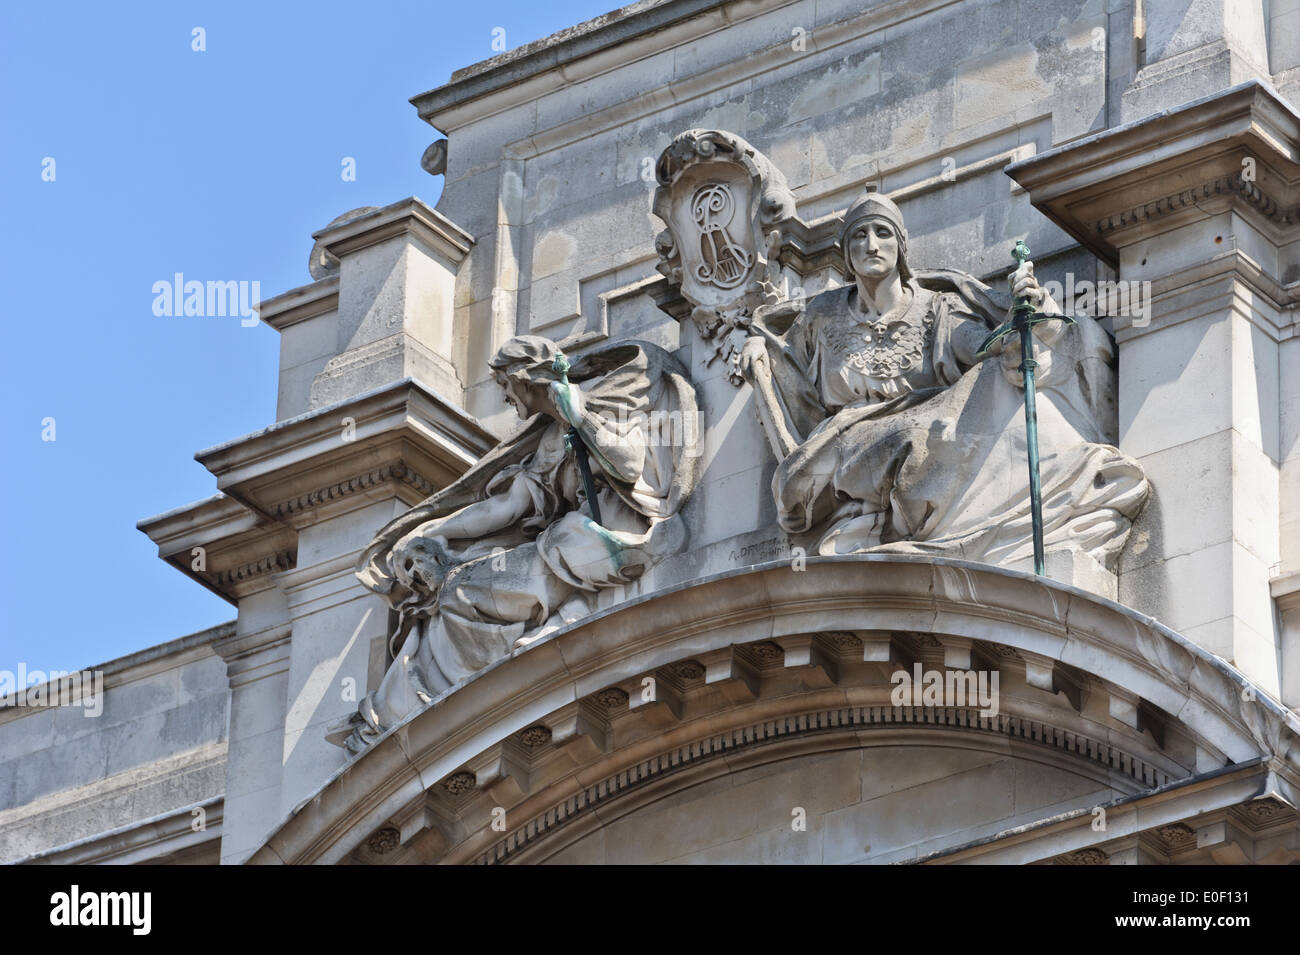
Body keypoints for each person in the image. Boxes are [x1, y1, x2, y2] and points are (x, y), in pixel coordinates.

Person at [737, 189, 1148, 563]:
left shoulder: (936, 308)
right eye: (859, 236)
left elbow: (987, 347)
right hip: (848, 438)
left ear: (900, 246)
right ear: (846, 251)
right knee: (913, 438)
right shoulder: (821, 315)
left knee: (992, 389)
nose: (871, 245)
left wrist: (1026, 313)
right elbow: (784, 361)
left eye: (883, 233)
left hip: (926, 419)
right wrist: (760, 350)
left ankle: (1051, 483)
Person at [332, 335, 699, 752]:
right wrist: (433, 530)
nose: (506, 397)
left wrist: (576, 412)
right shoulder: (547, 442)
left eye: (506, 385)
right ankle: (489, 685)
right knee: (460, 587)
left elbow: (630, 463)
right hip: (568, 544)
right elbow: (505, 507)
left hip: (612, 537)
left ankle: (536, 648)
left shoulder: (597, 405)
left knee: (515, 563)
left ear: (526, 379)